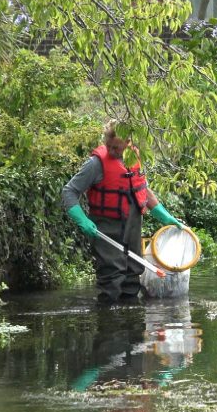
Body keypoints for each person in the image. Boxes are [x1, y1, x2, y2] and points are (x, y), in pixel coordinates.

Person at [62, 120, 184, 303]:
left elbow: (141, 188)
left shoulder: (133, 157)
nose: (112, 152)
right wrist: (82, 220)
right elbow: (69, 191)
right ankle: (108, 320)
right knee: (112, 275)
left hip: (132, 223)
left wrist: (163, 214)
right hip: (106, 226)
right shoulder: (95, 164)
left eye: (117, 148)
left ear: (128, 144)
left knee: (133, 271)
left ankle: (131, 320)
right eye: (109, 146)